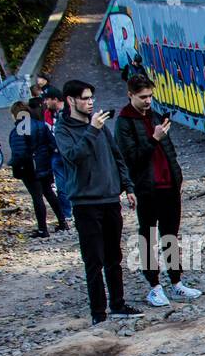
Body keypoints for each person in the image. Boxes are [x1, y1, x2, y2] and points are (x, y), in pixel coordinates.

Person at [55, 79, 144, 326]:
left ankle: (118, 304)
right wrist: (92, 130)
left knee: (114, 256)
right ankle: (98, 313)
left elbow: (117, 155)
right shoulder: (63, 130)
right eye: (85, 98)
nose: (90, 101)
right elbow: (74, 157)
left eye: (92, 97)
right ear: (71, 101)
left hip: (110, 199)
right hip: (85, 203)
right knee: (93, 260)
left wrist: (127, 187)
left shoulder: (100, 125)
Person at [115, 75, 201, 307]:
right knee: (148, 236)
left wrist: (177, 176)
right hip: (146, 189)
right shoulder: (124, 122)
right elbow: (130, 159)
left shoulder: (154, 116)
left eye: (150, 96)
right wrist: (154, 138)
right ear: (130, 95)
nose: (147, 101)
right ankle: (153, 285)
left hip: (169, 186)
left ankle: (176, 282)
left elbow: (168, 150)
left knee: (170, 235)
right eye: (143, 97)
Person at [8, 101, 67, 238]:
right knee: (49, 193)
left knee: (37, 197)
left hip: (29, 169)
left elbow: (20, 153)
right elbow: (52, 144)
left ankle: (42, 229)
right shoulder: (41, 125)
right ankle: (62, 222)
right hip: (44, 165)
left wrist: (13, 164)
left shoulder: (18, 130)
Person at [40, 86, 72, 222]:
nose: (45, 102)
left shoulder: (69, 112)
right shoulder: (47, 113)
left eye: (47, 99)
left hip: (70, 153)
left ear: (55, 99)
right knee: (61, 186)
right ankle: (67, 213)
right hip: (55, 154)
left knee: (75, 182)